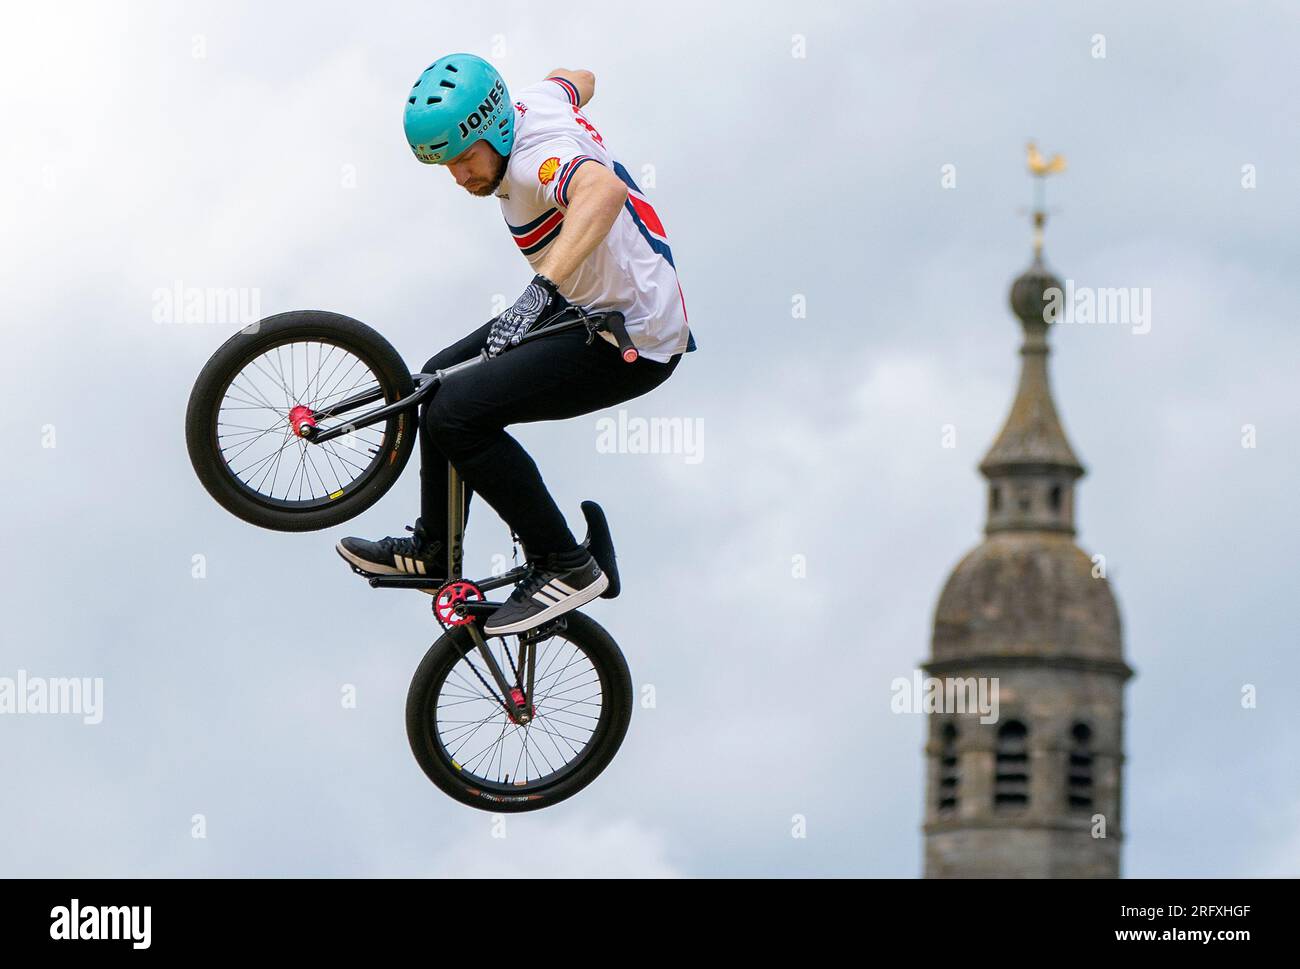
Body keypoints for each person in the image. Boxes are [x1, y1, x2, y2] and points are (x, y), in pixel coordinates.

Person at [336, 53, 694, 636]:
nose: (460, 177)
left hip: (628, 335)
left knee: (457, 417)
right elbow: (582, 76)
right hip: (585, 301)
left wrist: (540, 289)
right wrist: (570, 97)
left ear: (494, 129)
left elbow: (600, 191)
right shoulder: (531, 104)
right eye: (446, 166)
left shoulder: (533, 161)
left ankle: (565, 564)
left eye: (464, 159)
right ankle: (434, 549)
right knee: (433, 379)